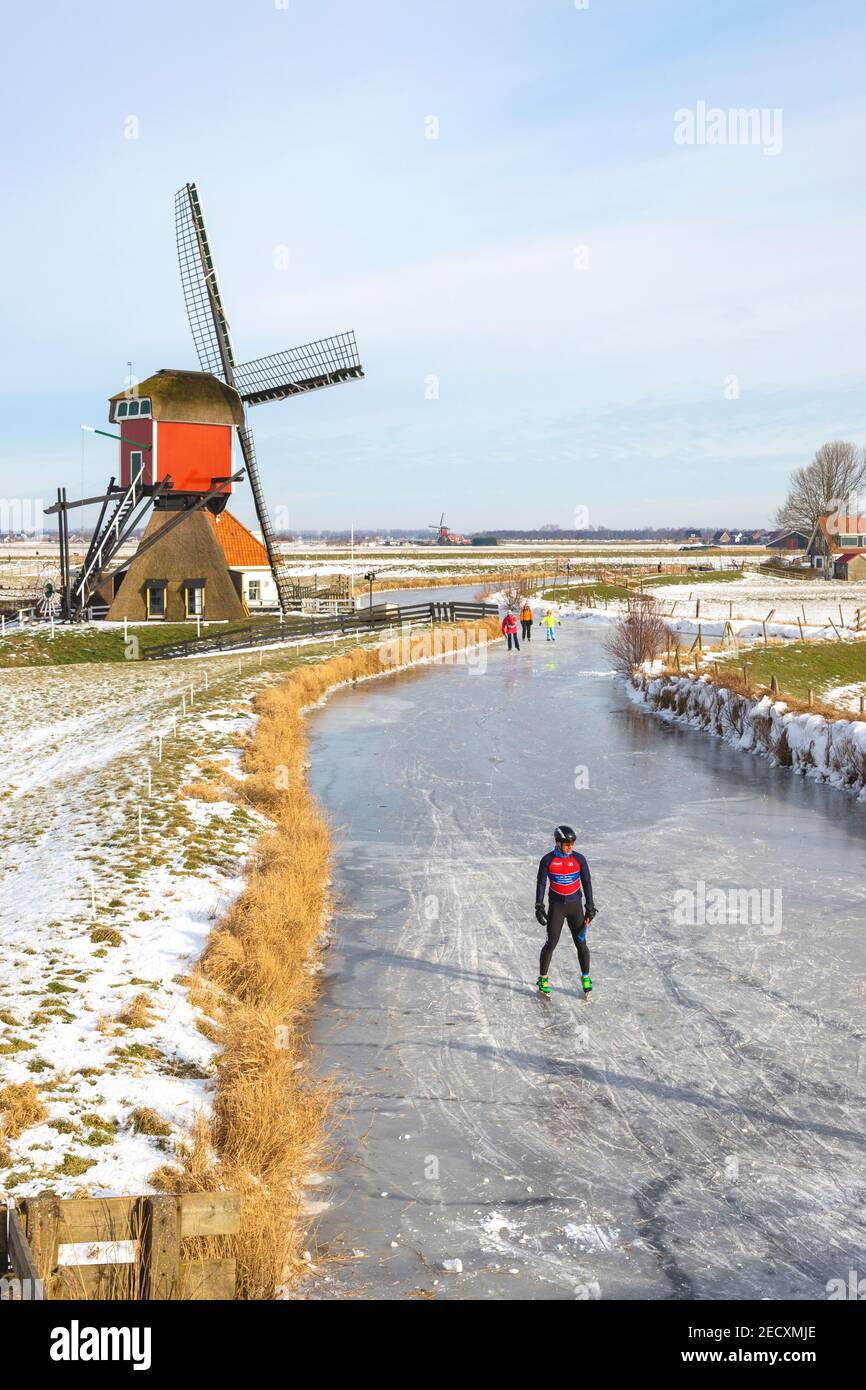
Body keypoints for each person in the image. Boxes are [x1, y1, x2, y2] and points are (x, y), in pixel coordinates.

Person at [534, 824, 596, 996]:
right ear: (557, 842)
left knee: (581, 943)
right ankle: (543, 978)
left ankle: (585, 977)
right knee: (551, 943)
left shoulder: (579, 859)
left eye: (572, 843)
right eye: (567, 843)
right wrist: (539, 905)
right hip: (557, 907)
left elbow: (587, 882)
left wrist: (590, 905)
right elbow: (541, 883)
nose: (570, 847)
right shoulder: (547, 860)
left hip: (575, 906)